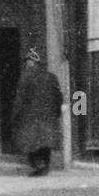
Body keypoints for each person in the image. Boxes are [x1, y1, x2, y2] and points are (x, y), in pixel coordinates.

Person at [11, 47, 63, 176]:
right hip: (48, 117)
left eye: (28, 61)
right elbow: (59, 97)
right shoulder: (51, 77)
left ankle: (39, 167)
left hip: (30, 118)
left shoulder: (26, 78)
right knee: (45, 143)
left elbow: (20, 99)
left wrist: (14, 115)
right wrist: (56, 113)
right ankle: (44, 166)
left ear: (32, 62)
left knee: (31, 143)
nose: (27, 64)